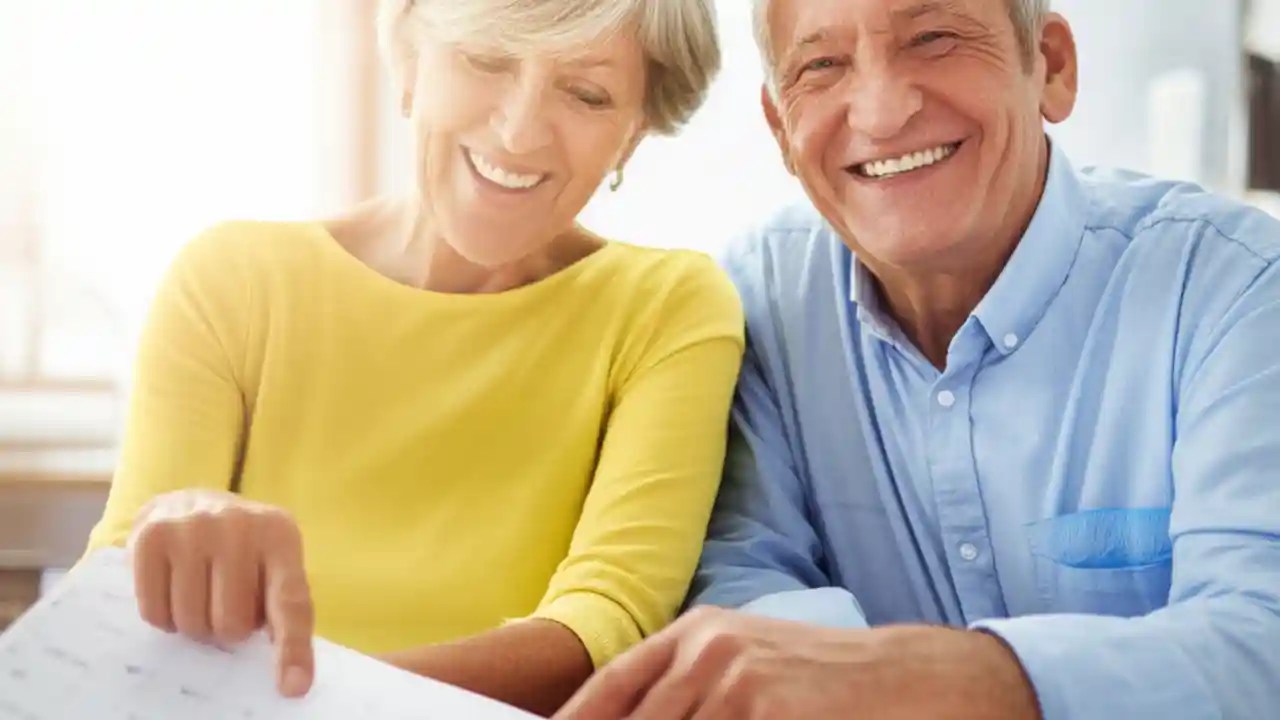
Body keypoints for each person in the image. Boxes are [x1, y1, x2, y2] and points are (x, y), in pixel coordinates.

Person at [556, 0, 1280, 718]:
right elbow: (745, 599)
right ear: (780, 128)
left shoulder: (1239, 289)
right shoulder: (758, 303)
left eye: (934, 39)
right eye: (822, 65)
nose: (881, 111)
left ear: (1051, 67)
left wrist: (918, 679)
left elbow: (1261, 647)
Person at [83, 0, 743, 715]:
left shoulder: (668, 307)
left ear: (633, 133)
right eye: (487, 59)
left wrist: (295, 704)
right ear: (407, 58)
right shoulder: (233, 281)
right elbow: (114, 605)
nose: (520, 131)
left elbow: (605, 633)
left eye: (586, 94)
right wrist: (171, 534)